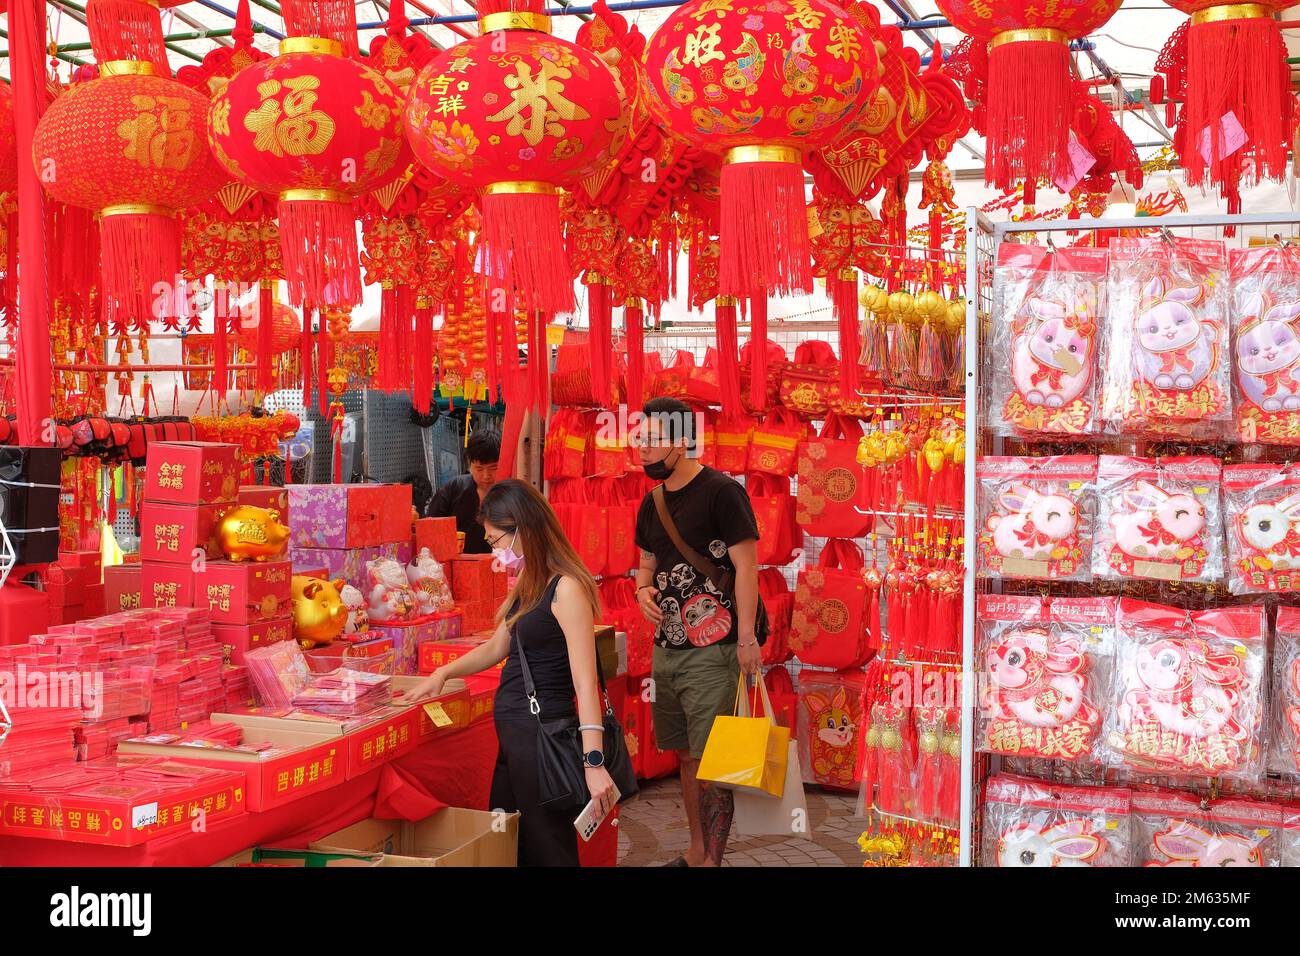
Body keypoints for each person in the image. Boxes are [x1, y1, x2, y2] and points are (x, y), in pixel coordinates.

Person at [402, 479, 614, 867]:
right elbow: (498, 647)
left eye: (497, 539)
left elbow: (584, 684)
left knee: (548, 848)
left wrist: (593, 762)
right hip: (516, 740)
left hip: (543, 738)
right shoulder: (529, 583)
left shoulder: (566, 589)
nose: (495, 549)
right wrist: (443, 672)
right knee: (511, 843)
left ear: (523, 529)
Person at [633, 396, 763, 867]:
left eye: (653, 440)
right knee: (686, 756)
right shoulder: (651, 503)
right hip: (667, 648)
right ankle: (695, 852)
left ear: (684, 440)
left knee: (714, 760)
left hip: (716, 648)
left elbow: (747, 569)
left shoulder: (722, 493)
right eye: (640, 439)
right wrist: (642, 591)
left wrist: (746, 640)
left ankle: (712, 860)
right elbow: (645, 565)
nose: (643, 449)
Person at [425, 431, 500, 553]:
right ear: (469, 464)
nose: (486, 476)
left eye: (493, 468)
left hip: (496, 564)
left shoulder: (508, 495)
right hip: (455, 562)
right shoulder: (454, 488)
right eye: (479, 469)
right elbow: (430, 528)